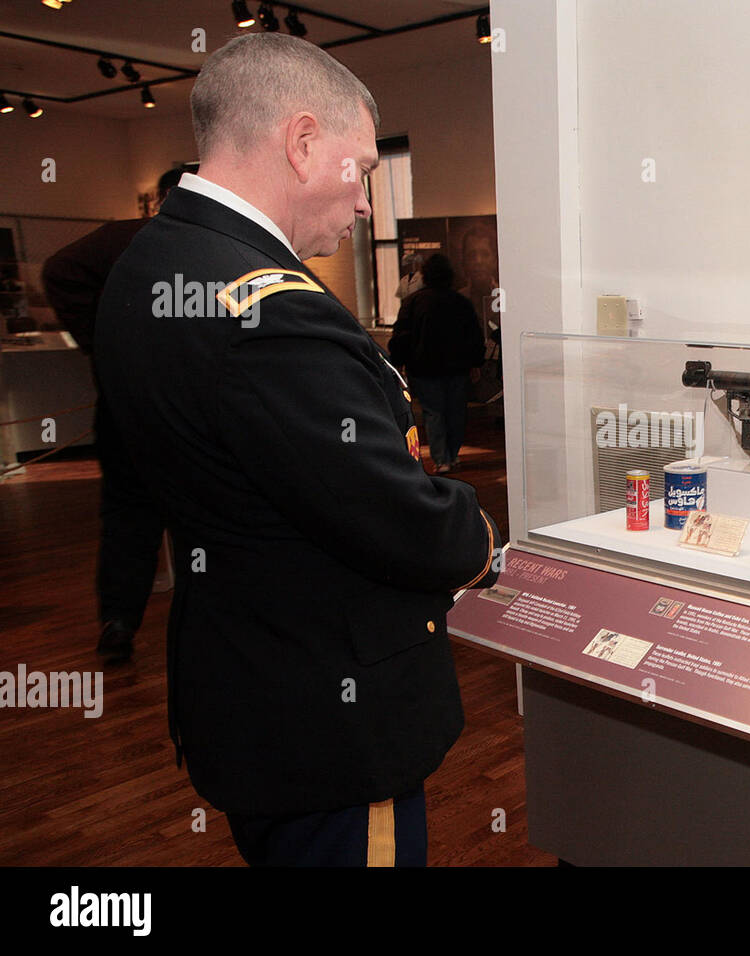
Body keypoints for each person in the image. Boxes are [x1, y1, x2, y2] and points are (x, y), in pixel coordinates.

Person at [94, 33, 500, 867]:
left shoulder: (152, 266)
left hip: (246, 692)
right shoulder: (270, 311)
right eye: (361, 172)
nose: (361, 206)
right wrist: (478, 532)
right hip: (331, 721)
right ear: (303, 141)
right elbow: (393, 518)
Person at [42, 167, 186, 664]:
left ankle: (120, 619)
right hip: (186, 411)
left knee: (128, 515)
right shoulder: (198, 243)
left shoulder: (120, 238)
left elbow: (59, 270)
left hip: (125, 407)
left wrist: (98, 342)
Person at [388, 254, 485, 473]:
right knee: (456, 412)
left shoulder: (413, 302)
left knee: (434, 413)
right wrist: (475, 363)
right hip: (456, 367)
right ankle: (453, 453)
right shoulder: (461, 302)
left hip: (423, 368)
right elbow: (473, 336)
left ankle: (442, 459)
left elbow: (402, 335)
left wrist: (399, 363)